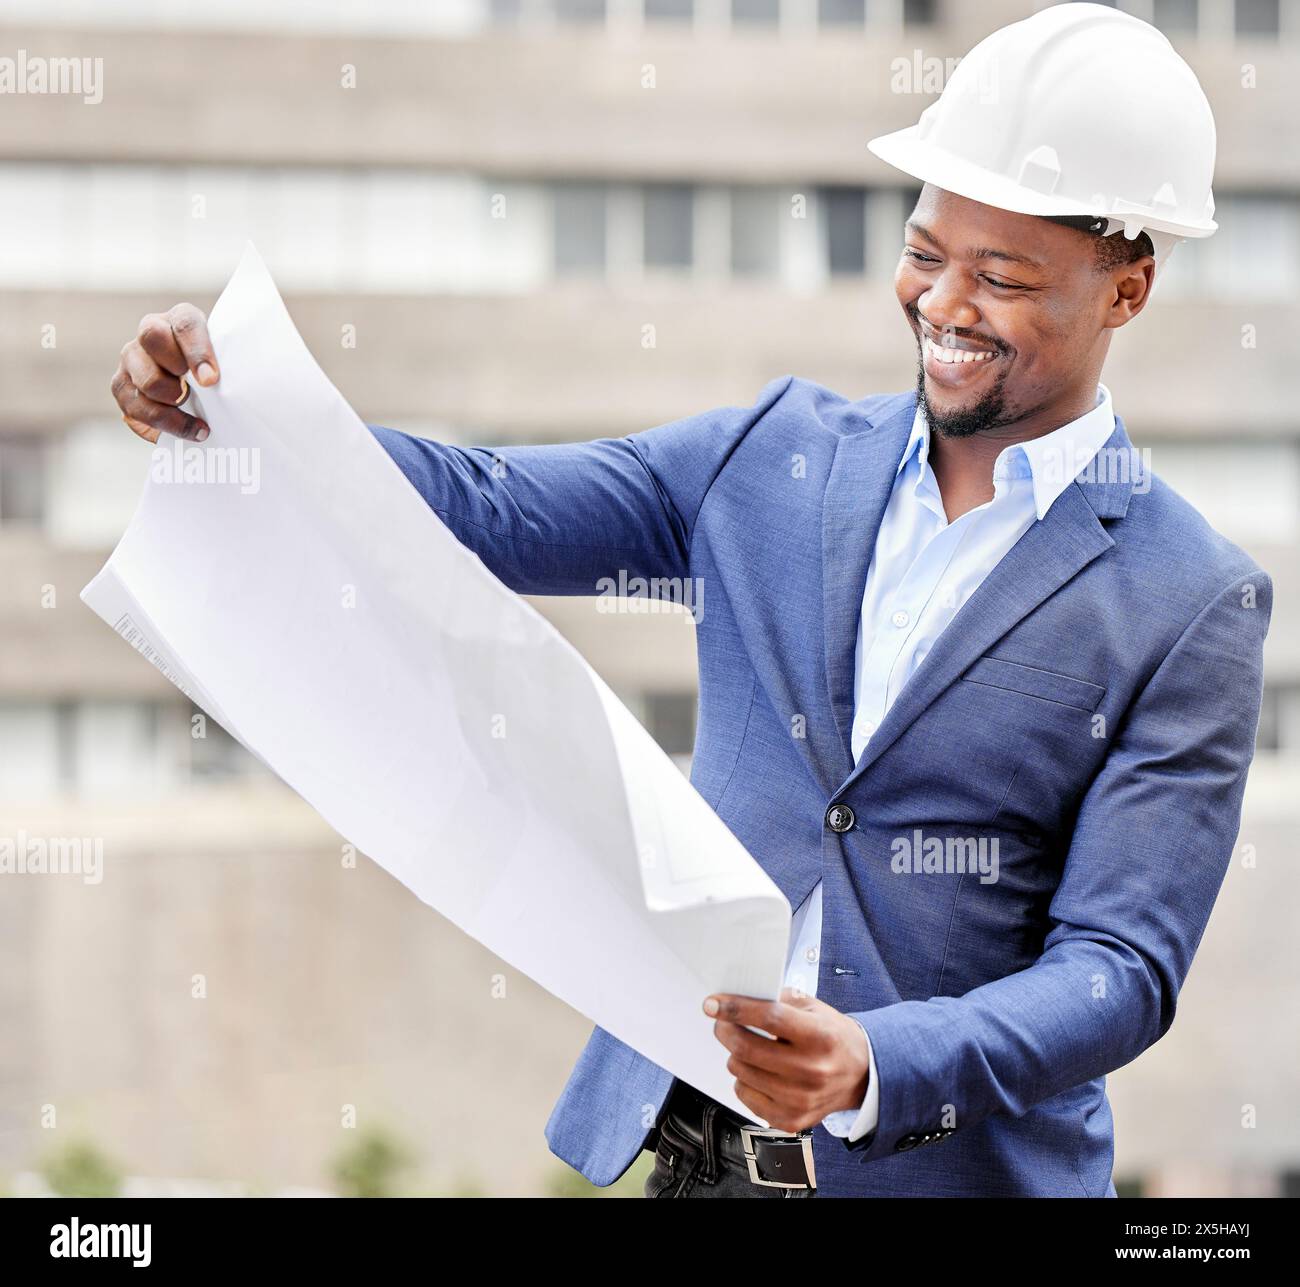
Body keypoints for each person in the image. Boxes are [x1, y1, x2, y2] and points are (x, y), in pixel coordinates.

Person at [108, 5, 1269, 1197]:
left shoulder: (1190, 599)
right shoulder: (773, 459)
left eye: (1002, 276)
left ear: (1125, 292)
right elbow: (486, 505)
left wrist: (878, 1061)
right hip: (696, 1167)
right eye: (925, 254)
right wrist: (238, 408)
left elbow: (1118, 969)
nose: (941, 304)